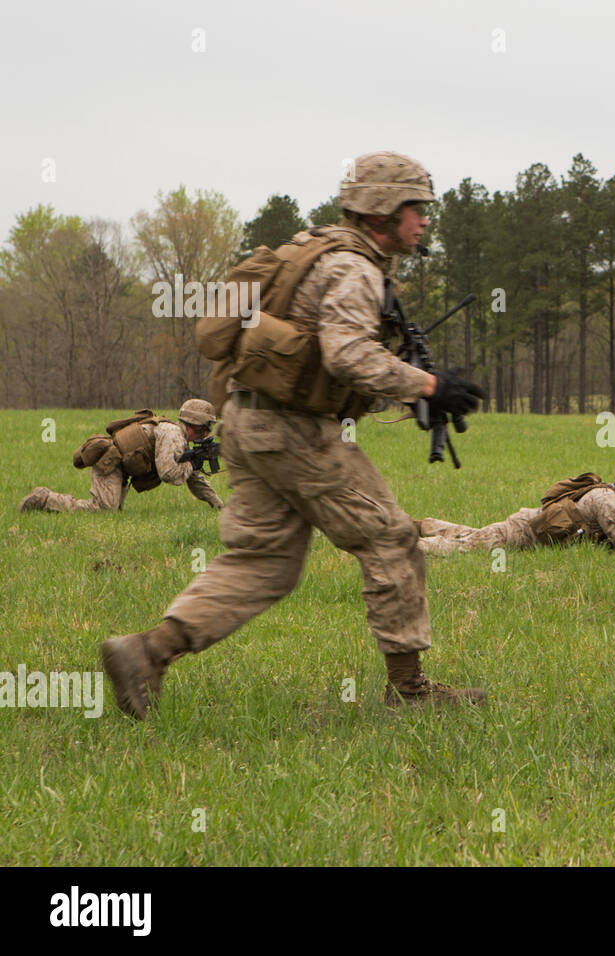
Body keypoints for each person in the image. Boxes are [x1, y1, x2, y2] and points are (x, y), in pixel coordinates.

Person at [99, 150, 486, 719]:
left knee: (264, 561)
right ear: (382, 208)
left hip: (248, 422)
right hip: (295, 433)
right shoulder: (354, 269)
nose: (425, 220)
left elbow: (320, 355)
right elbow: (347, 352)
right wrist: (427, 386)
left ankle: (146, 653)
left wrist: (402, 392)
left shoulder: (315, 247)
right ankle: (409, 694)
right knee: (390, 538)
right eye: (415, 208)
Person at [418, 450, 615, 555]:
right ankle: (403, 543)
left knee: (468, 536)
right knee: (460, 549)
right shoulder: (606, 500)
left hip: (532, 534)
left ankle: (423, 525)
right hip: (520, 533)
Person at [20, 400, 224, 513]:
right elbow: (168, 473)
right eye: (206, 427)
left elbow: (193, 477)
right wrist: (191, 464)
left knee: (113, 514)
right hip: (110, 462)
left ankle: (47, 501)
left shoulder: (180, 440)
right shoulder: (172, 435)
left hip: (123, 468)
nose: (207, 433)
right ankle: (45, 499)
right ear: (194, 425)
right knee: (103, 510)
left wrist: (218, 505)